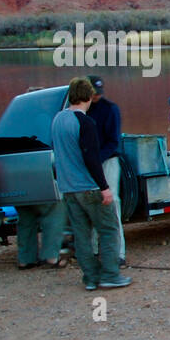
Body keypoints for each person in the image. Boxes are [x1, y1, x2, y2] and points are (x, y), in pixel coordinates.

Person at [50, 77, 131, 291]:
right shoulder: (85, 122)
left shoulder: (57, 119)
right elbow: (91, 158)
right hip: (88, 186)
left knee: (82, 234)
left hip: (68, 188)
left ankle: (91, 278)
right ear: (87, 96)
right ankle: (111, 275)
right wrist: (104, 187)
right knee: (108, 229)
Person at [88, 75, 127, 267]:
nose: (96, 97)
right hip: (90, 163)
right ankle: (94, 249)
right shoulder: (82, 111)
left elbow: (114, 141)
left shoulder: (110, 109)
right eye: (93, 93)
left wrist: (97, 158)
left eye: (98, 93)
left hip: (108, 161)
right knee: (92, 204)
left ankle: (119, 252)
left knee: (112, 203)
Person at [15, 198, 67, 270]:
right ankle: (51, 257)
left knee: (26, 222)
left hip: (19, 193)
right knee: (54, 214)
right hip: (43, 192)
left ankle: (25, 260)